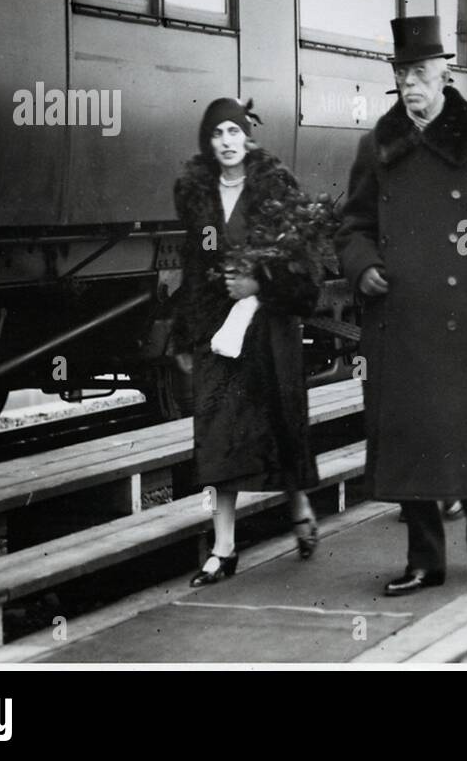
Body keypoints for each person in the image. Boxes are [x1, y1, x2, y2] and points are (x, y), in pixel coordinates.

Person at [336, 15, 467, 597]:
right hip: (397, 320)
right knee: (407, 442)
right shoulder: (378, 145)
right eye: (402, 74)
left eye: (420, 74)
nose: (410, 85)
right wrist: (363, 263)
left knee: (459, 434)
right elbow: (352, 224)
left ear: (444, 75)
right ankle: (425, 560)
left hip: (463, 321)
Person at [171, 98, 323, 587]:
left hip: (267, 328)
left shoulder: (275, 189)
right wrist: (187, 331)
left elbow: (304, 272)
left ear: (248, 136)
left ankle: (298, 502)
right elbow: (196, 267)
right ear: (208, 142)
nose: (227, 142)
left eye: (234, 131)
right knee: (218, 435)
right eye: (217, 134)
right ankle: (223, 547)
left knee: (278, 424)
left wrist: (261, 286)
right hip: (218, 332)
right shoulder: (197, 195)